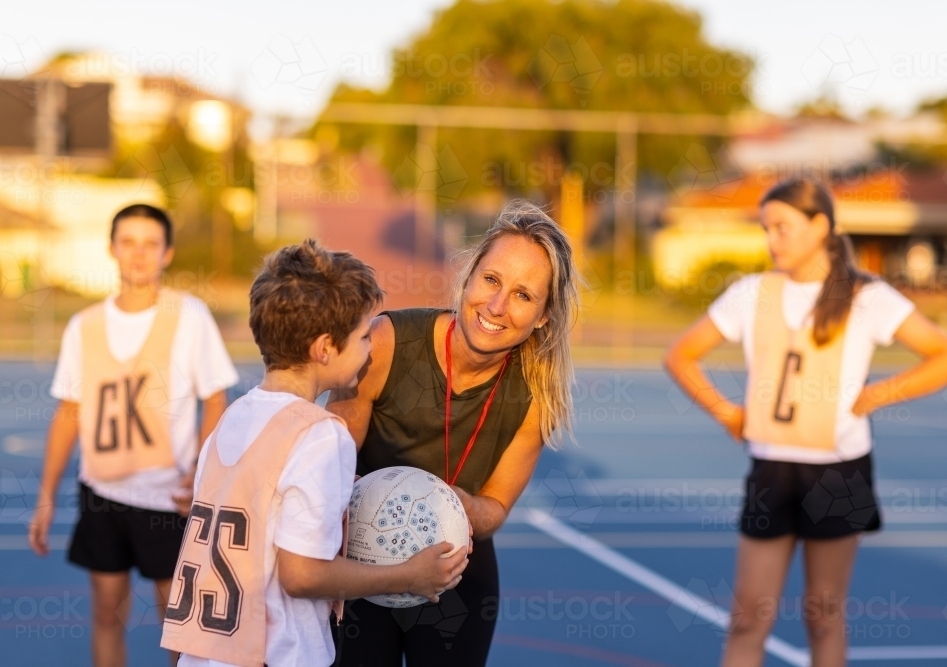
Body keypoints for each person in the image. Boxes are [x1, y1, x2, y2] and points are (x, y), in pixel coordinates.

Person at [664, 177, 947, 667]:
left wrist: (875, 394)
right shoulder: (751, 294)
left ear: (820, 225)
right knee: (748, 617)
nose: (772, 240)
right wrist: (726, 412)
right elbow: (681, 354)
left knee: (823, 614)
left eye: (782, 227)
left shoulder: (867, 297)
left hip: (838, 473)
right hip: (772, 469)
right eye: (767, 229)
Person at [160, 239, 468, 667]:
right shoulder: (322, 436)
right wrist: (408, 575)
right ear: (325, 348)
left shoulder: (231, 420)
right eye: (363, 335)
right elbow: (301, 574)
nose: (371, 347)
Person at [326, 200, 580, 666]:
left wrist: (451, 505)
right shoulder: (384, 343)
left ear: (544, 315)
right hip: (357, 554)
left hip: (455, 568)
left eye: (524, 296)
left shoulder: (534, 396)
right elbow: (327, 472)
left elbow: (496, 507)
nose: (498, 306)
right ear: (468, 276)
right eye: (492, 280)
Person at [28, 203, 239, 667]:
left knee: (178, 623)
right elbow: (69, 413)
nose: (138, 254)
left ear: (167, 253)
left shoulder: (189, 316)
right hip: (102, 493)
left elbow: (216, 400)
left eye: (150, 244)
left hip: (167, 498)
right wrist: (45, 496)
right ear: (111, 248)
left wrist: (201, 473)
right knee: (107, 613)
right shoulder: (84, 326)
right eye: (128, 242)